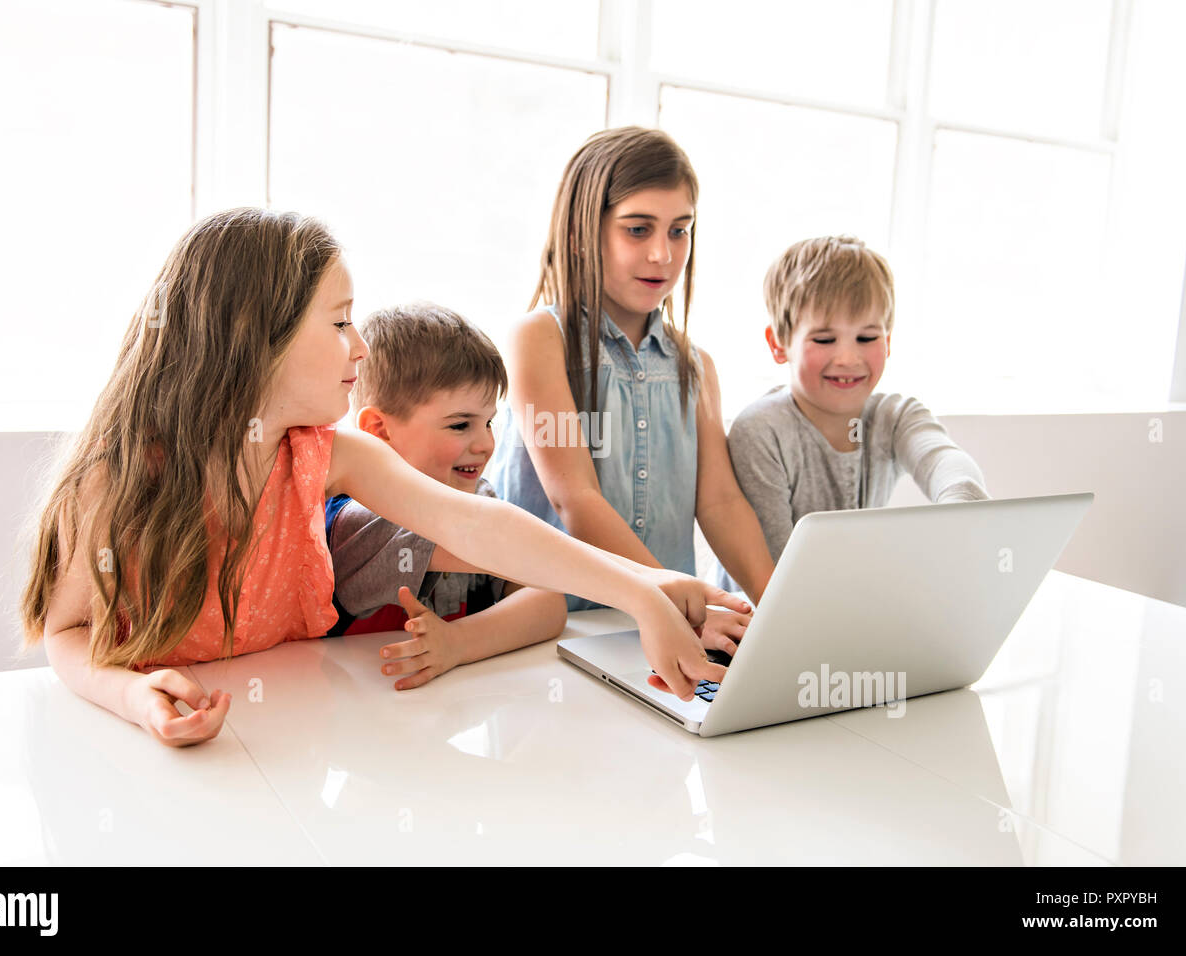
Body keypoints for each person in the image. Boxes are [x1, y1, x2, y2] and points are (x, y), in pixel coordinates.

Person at [19, 208, 747, 748]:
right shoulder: (114, 476)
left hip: (293, 737)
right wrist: (133, 696)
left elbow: (475, 524)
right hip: (152, 754)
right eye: (339, 324)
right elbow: (66, 633)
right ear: (255, 341)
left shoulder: (322, 453)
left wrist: (644, 590)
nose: (360, 346)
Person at [489, 126, 775, 658]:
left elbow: (721, 503)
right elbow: (573, 498)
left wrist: (780, 604)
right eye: (638, 230)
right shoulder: (540, 340)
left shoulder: (697, 367)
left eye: (680, 230)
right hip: (557, 631)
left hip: (676, 631)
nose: (663, 255)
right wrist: (672, 606)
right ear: (582, 232)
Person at [325, 302, 568, 690]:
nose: (486, 443)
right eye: (460, 425)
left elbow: (548, 600)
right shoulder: (362, 522)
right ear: (378, 430)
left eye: (489, 422)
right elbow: (535, 565)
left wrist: (457, 643)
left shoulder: (478, 497)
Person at [720, 234, 989, 584]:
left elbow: (945, 463)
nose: (848, 358)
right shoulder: (761, 430)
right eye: (824, 339)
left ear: (888, 341)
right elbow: (779, 571)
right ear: (779, 344)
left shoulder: (895, 416)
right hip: (758, 611)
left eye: (867, 338)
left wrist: (961, 511)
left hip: (843, 599)